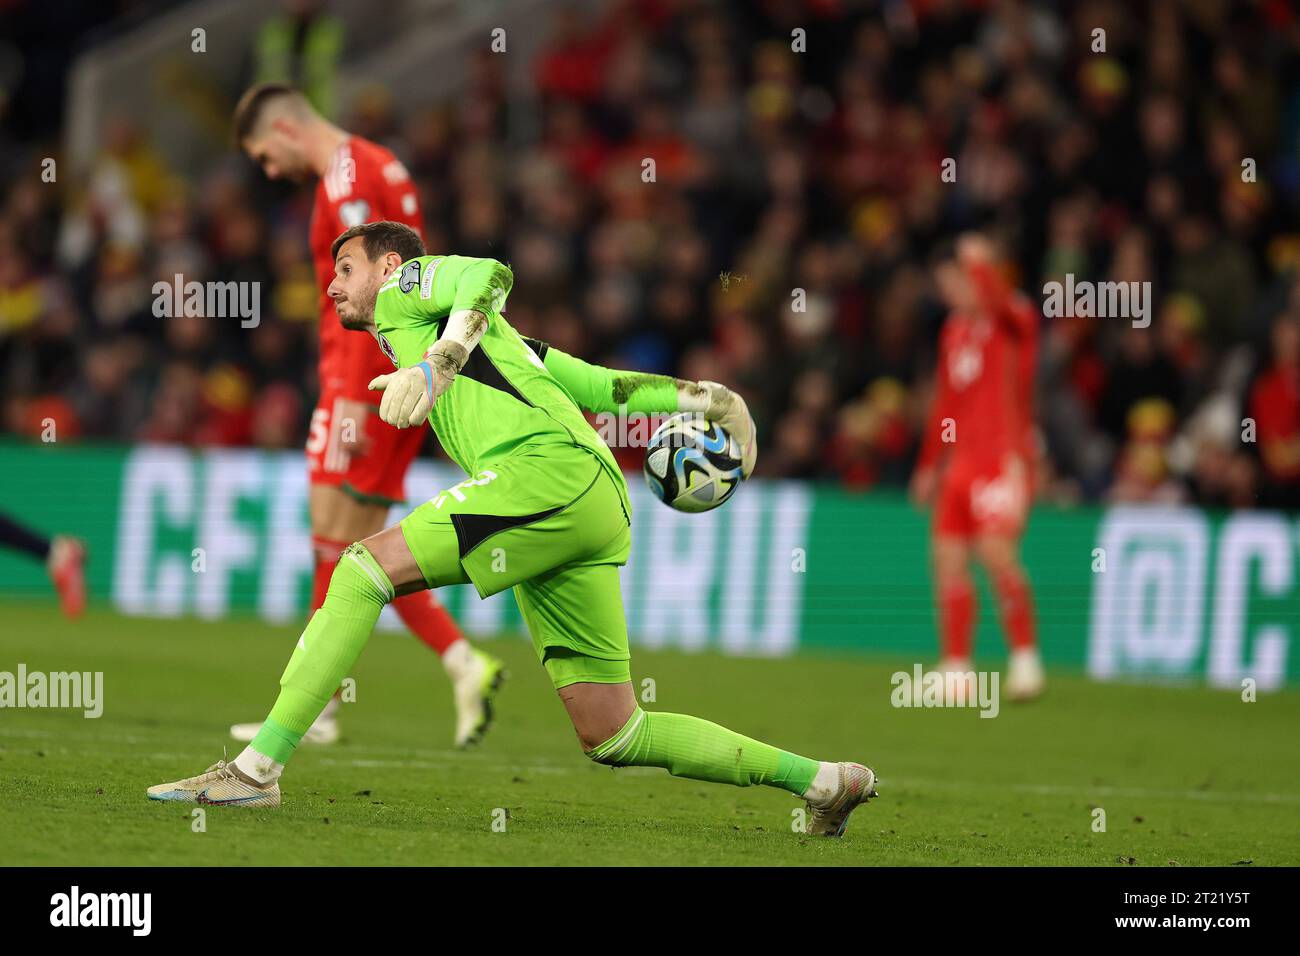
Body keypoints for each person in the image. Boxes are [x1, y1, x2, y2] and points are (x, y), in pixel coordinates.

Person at [148, 220, 877, 837]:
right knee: (615, 733)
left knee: (361, 568)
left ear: (391, 267)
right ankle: (823, 782)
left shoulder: (413, 290)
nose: (332, 286)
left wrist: (439, 363)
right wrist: (707, 397)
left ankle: (255, 770)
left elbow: (492, 273)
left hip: (546, 474)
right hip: (591, 501)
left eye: (345, 269)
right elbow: (592, 385)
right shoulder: (493, 339)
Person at [229, 85, 503, 748]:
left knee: (337, 536)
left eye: (267, 156)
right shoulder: (375, 164)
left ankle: (313, 709)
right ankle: (461, 661)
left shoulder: (349, 178)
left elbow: (379, 291)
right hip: (378, 374)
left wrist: (353, 396)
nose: (270, 172)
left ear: (288, 127)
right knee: (360, 546)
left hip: (365, 381)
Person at [910, 234, 1045, 701]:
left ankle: (1026, 659)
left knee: (995, 552)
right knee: (947, 557)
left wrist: (979, 258)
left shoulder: (1014, 320)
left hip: (1000, 457)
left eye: (958, 282)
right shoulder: (954, 330)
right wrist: (930, 463)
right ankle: (957, 670)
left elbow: (1000, 302)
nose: (951, 292)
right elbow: (947, 401)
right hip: (960, 462)